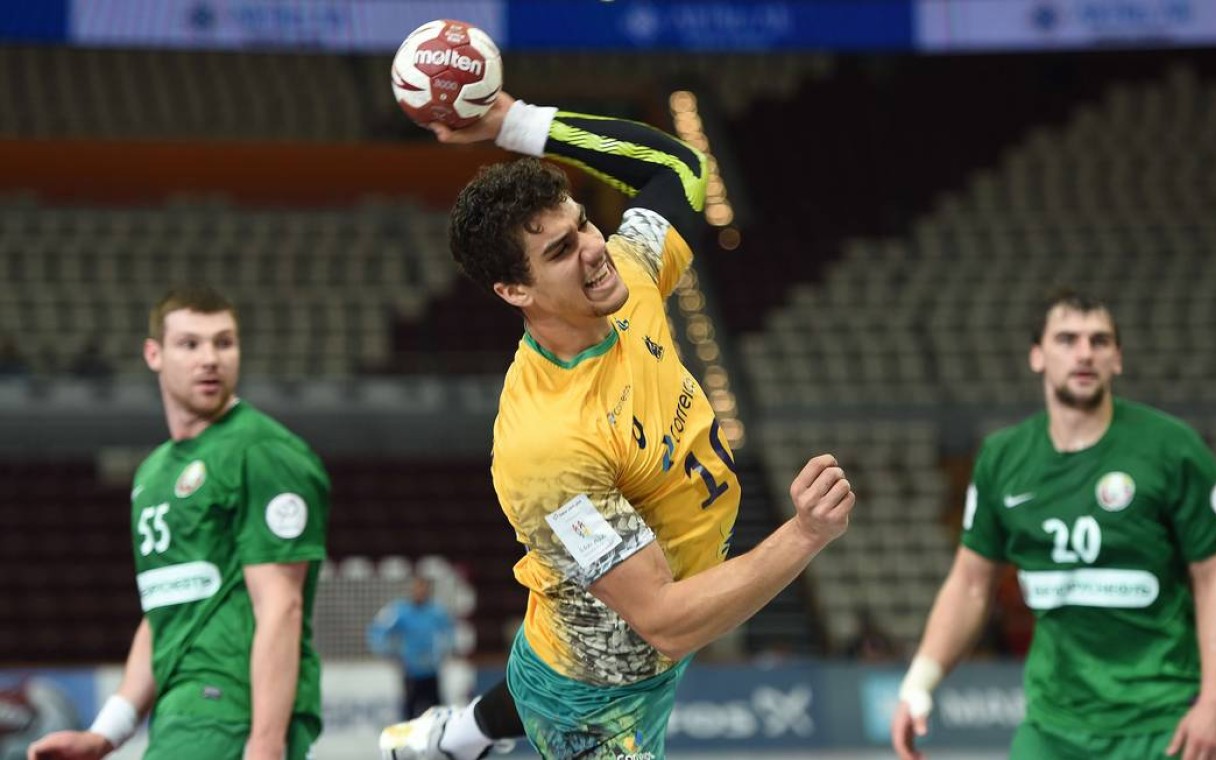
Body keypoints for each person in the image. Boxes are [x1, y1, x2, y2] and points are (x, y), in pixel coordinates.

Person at [379, 91, 855, 759]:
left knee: (539, 667)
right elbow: (662, 621)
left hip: (644, 611)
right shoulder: (547, 447)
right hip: (596, 696)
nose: (593, 252)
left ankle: (454, 738)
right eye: (559, 251)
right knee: (555, 676)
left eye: (583, 226)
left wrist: (517, 123)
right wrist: (804, 533)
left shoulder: (625, 273)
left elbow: (679, 169)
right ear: (515, 291)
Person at [891, 288, 1216, 760]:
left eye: (1099, 341)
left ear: (1117, 359)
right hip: (1053, 726)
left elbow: (1215, 580)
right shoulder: (1002, 458)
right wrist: (918, 683)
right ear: (1037, 355)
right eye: (1067, 339)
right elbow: (970, 584)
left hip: (1164, 720)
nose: (1085, 352)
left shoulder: (1172, 448)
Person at [28, 285, 330, 760]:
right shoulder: (153, 472)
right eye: (190, 344)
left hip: (232, 710)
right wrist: (105, 734)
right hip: (180, 711)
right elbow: (166, 610)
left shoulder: (264, 452)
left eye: (223, 342)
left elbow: (282, 605)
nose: (209, 358)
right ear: (154, 354)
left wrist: (267, 743)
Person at [368, 576, 455, 720]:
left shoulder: (436, 611)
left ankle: (439, 741)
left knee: (438, 713)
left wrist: (445, 652)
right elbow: (378, 630)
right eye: (417, 589)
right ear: (412, 591)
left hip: (432, 670)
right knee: (409, 712)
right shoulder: (400, 611)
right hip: (411, 671)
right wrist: (388, 652)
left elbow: (450, 632)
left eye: (423, 588)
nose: (420, 592)